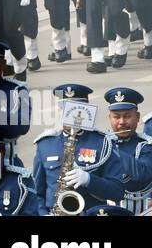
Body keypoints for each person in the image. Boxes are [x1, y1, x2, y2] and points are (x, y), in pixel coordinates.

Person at [31, 83, 130, 214]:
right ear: (59, 111)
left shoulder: (103, 142)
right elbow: (37, 192)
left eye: (76, 110)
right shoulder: (45, 144)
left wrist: (89, 180)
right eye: (65, 109)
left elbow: (117, 192)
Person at [101, 86, 152, 214]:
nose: (122, 122)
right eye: (116, 117)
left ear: (138, 116)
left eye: (127, 116)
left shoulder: (148, 145)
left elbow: (142, 174)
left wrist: (110, 149)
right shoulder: (101, 142)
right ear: (110, 118)